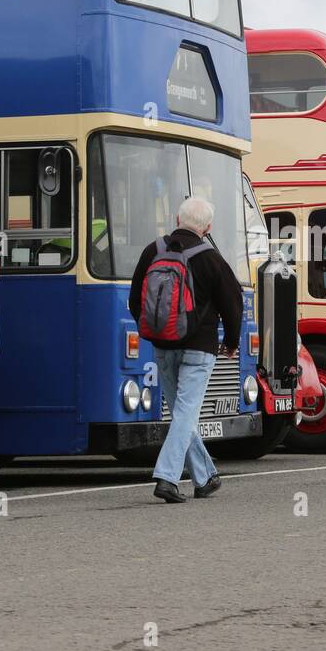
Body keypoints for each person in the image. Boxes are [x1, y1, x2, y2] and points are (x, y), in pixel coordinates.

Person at [128, 196, 243, 503]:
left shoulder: (154, 251)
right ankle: (166, 478)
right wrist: (232, 342)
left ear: (177, 220)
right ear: (208, 227)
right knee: (185, 414)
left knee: (181, 414)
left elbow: (135, 299)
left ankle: (205, 477)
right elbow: (233, 304)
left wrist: (154, 330)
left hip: (163, 346)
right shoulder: (212, 258)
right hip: (199, 348)